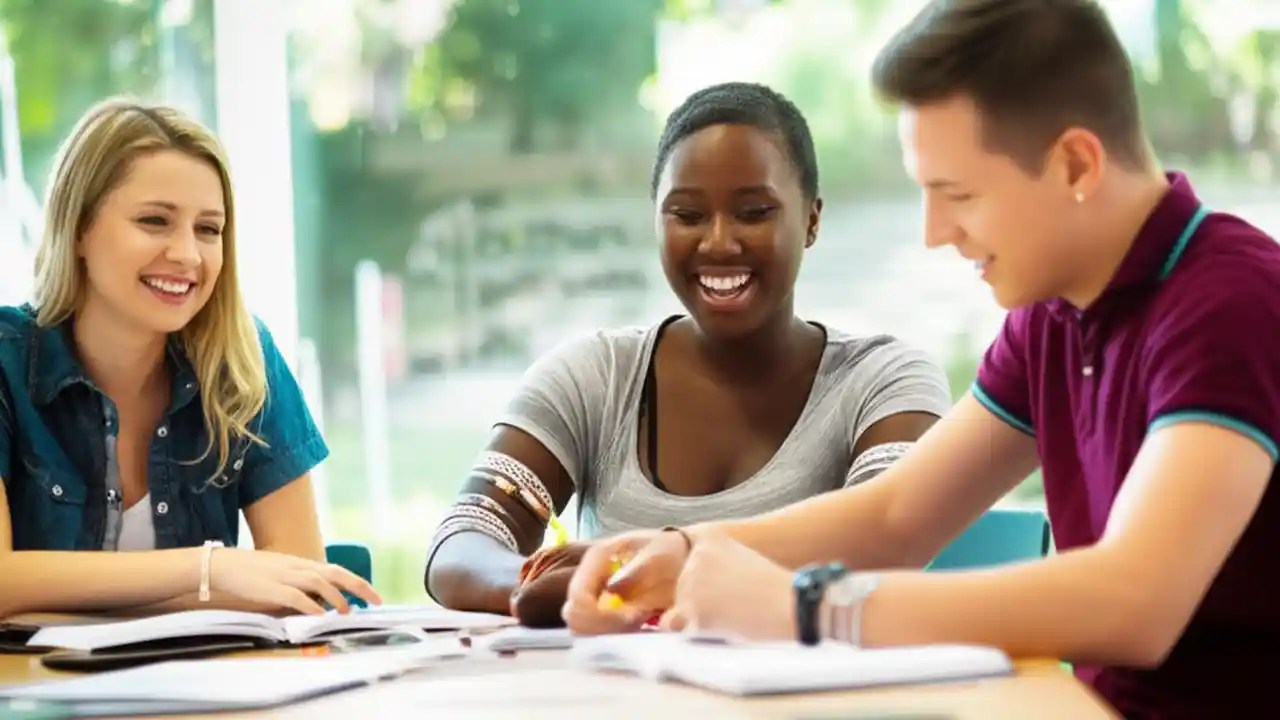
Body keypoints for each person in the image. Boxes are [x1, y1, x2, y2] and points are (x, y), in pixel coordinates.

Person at [563, 2, 1280, 717]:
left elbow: (1135, 602)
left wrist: (810, 607)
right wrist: (682, 550)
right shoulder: (1052, 318)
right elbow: (898, 516)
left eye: (957, 194)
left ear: (1075, 164)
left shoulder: (1231, 305)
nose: (935, 234)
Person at [424, 82, 952, 626]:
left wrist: (639, 569)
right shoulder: (594, 377)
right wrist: (565, 587)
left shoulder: (886, 383)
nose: (719, 242)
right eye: (687, 214)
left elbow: (881, 540)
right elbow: (463, 539)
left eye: (753, 211)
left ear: (812, 219)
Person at [0, 98, 380, 618]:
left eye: (208, 229)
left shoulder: (243, 358)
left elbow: (299, 581)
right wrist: (211, 570)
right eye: (155, 221)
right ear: (80, 228)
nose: (187, 256)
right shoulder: (6, 361)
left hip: (205, 692)